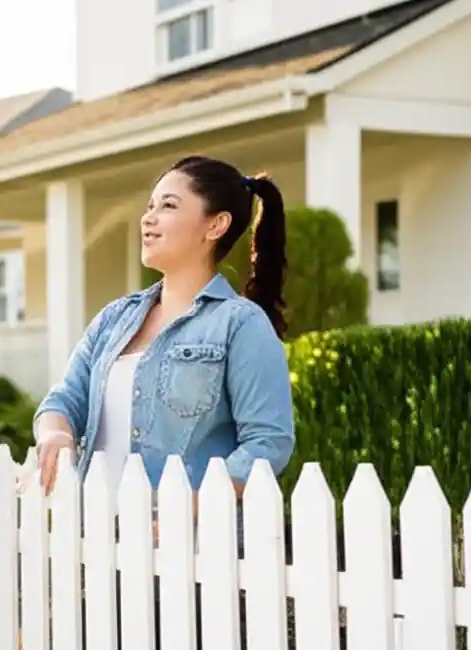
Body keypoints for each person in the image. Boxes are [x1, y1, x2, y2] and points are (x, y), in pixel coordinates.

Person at [33, 155, 295, 498]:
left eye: (168, 206)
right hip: (98, 535)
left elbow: (268, 442)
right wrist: (56, 433)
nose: (148, 218)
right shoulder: (114, 319)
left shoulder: (240, 324)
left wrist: (193, 509)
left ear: (216, 225)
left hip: (192, 543)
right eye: (150, 206)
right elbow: (64, 400)